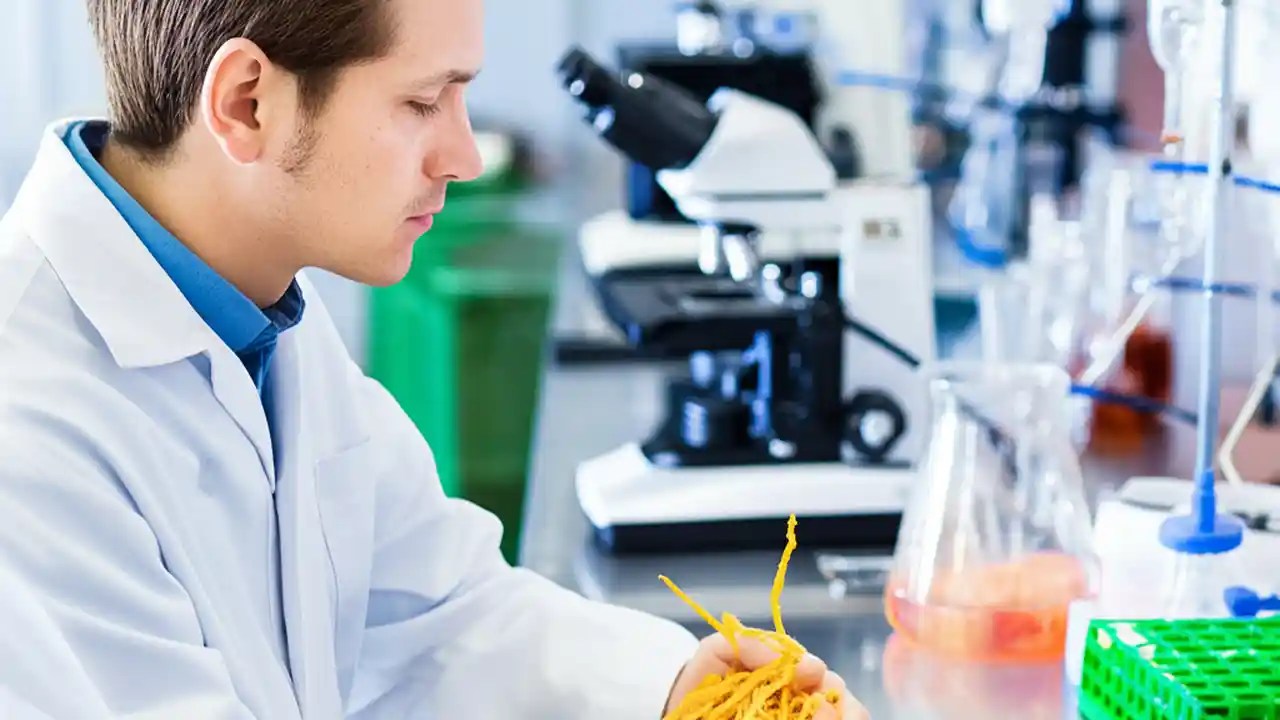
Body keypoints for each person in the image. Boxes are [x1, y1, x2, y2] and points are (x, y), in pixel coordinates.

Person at [0, 1, 870, 718]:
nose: (461, 156)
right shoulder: (31, 424)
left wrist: (671, 691)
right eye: (424, 103)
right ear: (245, 103)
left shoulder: (255, 312)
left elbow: (435, 618)